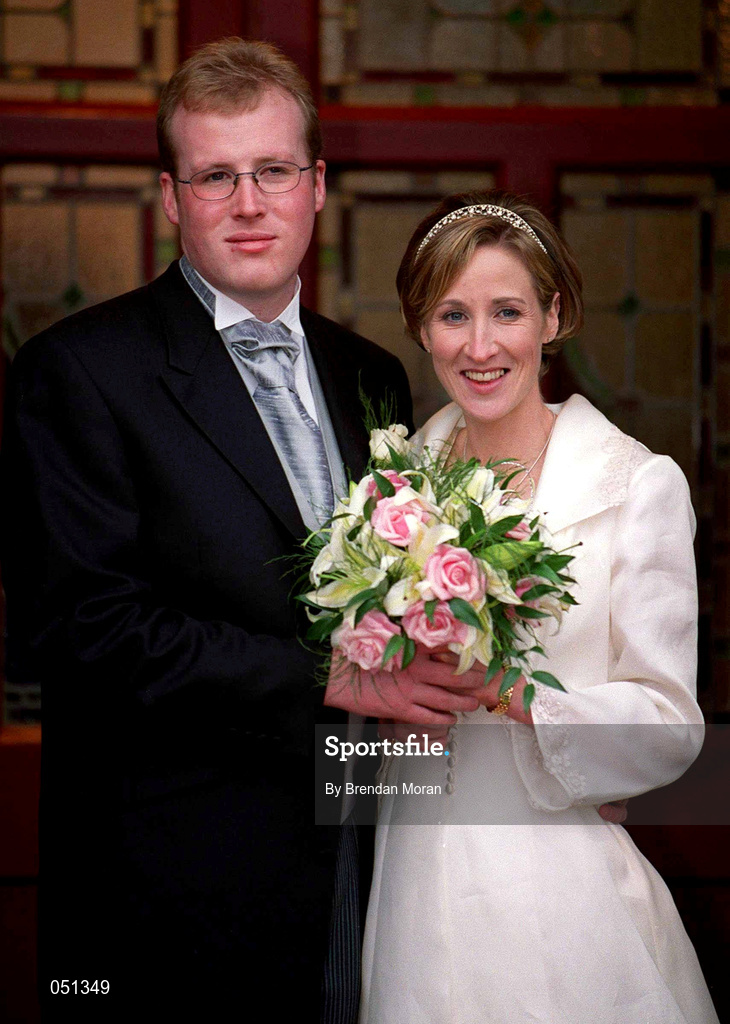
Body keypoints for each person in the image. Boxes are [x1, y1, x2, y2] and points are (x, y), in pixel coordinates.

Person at [0, 39, 483, 1022]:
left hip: (356, 868)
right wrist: (325, 676)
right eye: (216, 176)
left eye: (273, 171)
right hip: (165, 902)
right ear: (171, 198)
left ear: (317, 185)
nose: (249, 203)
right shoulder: (79, 371)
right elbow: (78, 625)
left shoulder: (369, 374)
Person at [354, 190, 719, 1023]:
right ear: (421, 328)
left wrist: (512, 693)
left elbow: (670, 723)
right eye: (453, 314)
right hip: (413, 872)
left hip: (558, 887)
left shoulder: (635, 485)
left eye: (508, 312)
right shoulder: (394, 481)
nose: (480, 346)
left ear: (553, 317)